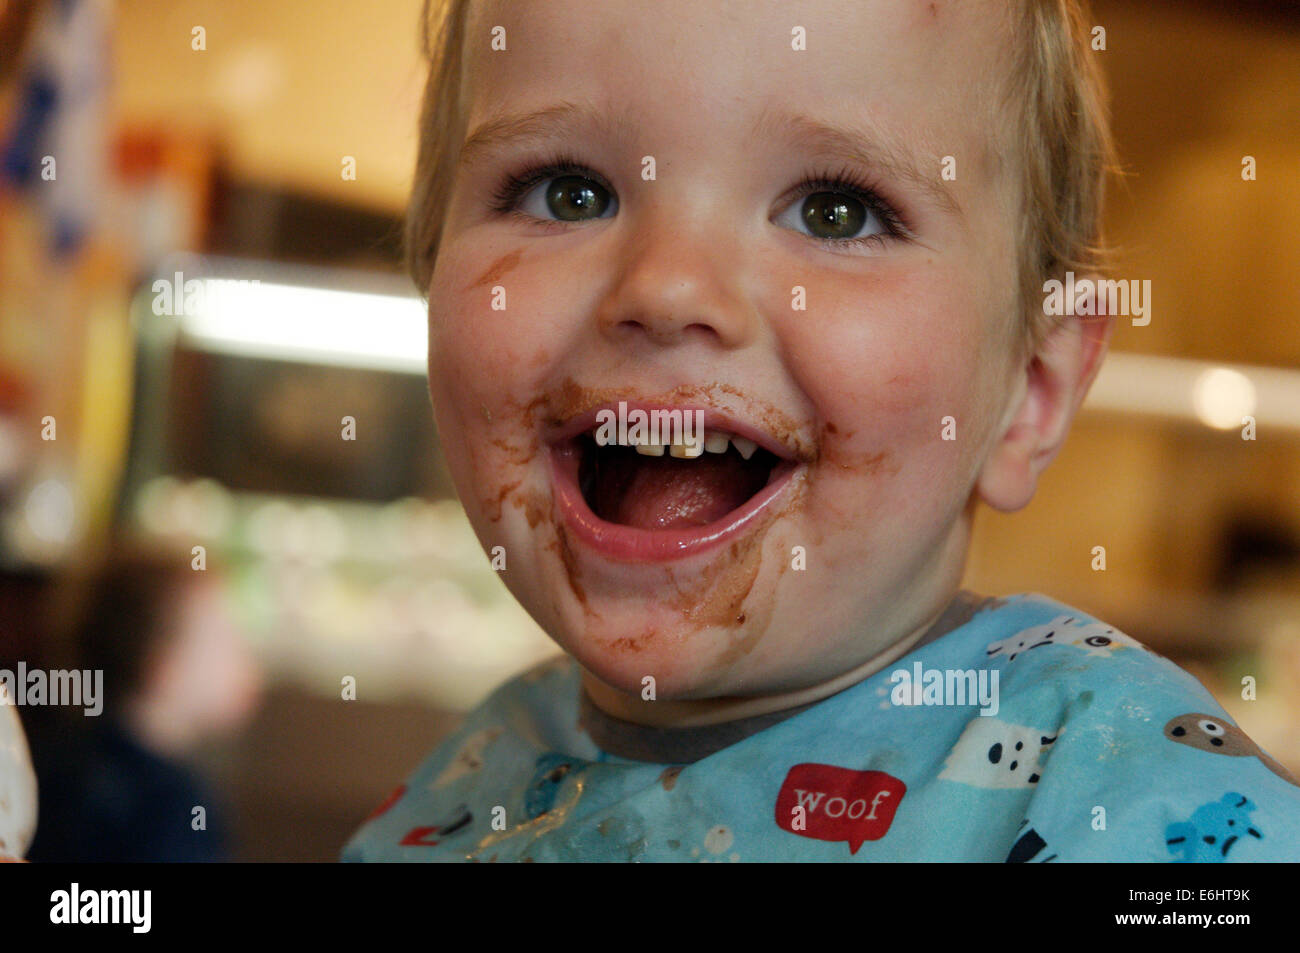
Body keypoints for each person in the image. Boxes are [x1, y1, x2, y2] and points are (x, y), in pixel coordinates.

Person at [343, 0, 1300, 861]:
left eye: (835, 213)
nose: (668, 287)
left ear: (1031, 391)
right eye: (568, 191)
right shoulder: (459, 791)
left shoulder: (1127, 796)